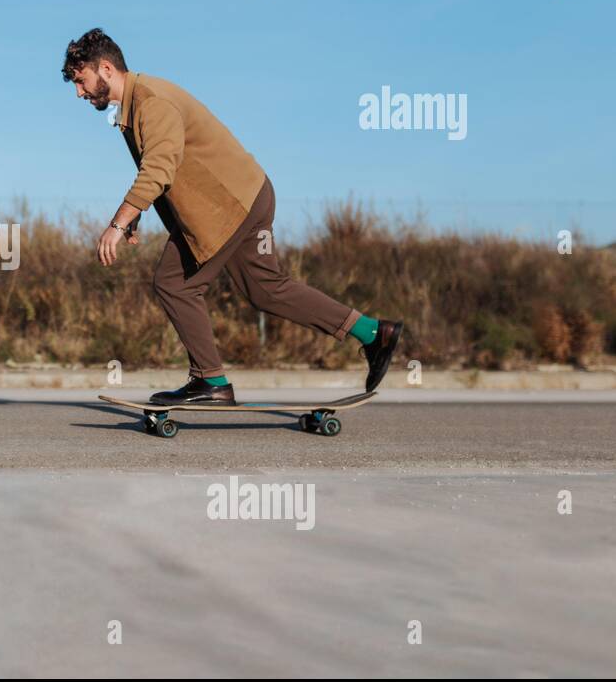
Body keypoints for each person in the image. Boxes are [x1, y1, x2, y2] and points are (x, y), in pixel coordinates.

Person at [62, 28, 402, 404]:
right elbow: (161, 170)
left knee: (175, 283)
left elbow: (159, 168)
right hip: (248, 196)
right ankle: (374, 332)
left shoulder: (151, 102)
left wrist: (118, 223)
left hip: (226, 207)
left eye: (81, 80)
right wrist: (138, 212)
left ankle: (211, 381)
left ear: (105, 69)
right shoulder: (137, 106)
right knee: (267, 288)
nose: (78, 92)